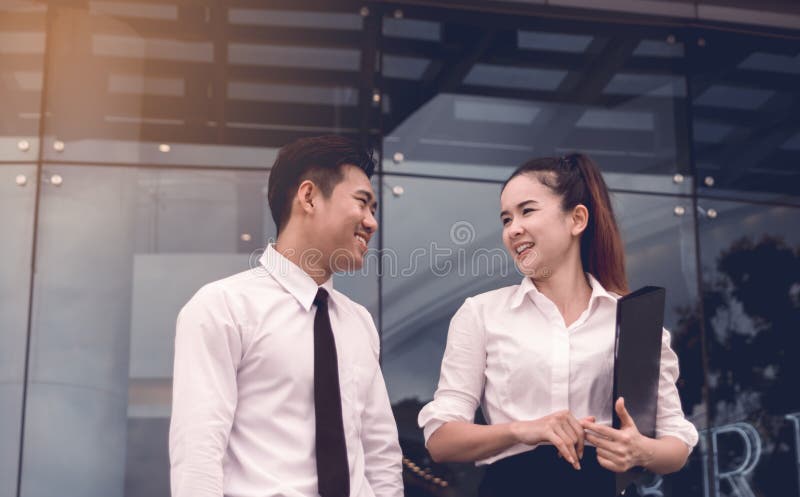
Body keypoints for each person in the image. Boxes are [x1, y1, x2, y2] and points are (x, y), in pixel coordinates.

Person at [417, 153, 698, 496]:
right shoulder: (481, 313)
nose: (513, 229)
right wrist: (523, 430)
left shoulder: (632, 323)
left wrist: (640, 450)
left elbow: (678, 442)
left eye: (527, 211)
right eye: (506, 219)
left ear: (577, 219)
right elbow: (440, 439)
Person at [169, 135, 403, 497]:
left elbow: (380, 452)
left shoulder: (360, 323)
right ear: (309, 197)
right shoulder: (222, 307)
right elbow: (197, 452)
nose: (371, 222)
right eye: (362, 203)